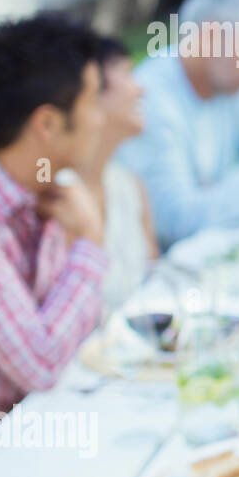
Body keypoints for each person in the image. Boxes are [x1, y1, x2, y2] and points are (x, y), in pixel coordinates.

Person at [117, 0, 239, 248]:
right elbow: (177, 223)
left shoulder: (231, 82)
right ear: (210, 37)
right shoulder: (151, 99)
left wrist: (218, 193)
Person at [0, 13, 109, 416]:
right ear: (47, 122)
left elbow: (76, 336)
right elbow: (41, 364)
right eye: (95, 100)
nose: (102, 118)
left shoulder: (42, 192)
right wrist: (90, 243)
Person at [72, 36, 158, 315]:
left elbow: (156, 286)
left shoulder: (130, 185)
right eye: (125, 72)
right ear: (89, 89)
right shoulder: (57, 199)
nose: (141, 89)